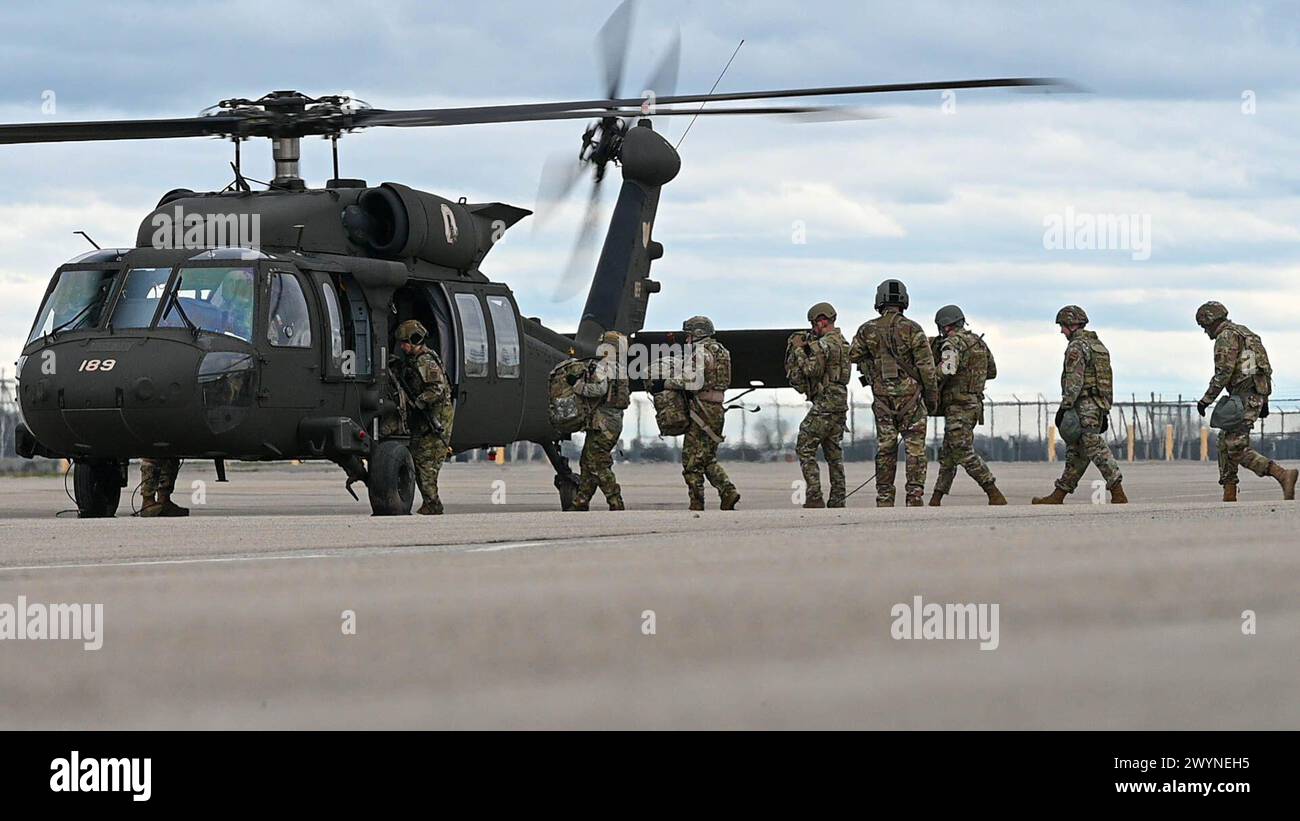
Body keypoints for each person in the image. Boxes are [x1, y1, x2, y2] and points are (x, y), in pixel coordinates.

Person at [848, 279, 939, 507]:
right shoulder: (913, 329)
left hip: (883, 400)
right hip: (912, 399)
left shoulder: (867, 329)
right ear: (904, 302)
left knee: (885, 448)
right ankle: (915, 495)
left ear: (879, 301)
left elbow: (852, 355)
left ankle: (884, 497)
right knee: (915, 448)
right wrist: (931, 396)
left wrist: (873, 361)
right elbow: (927, 368)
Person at [1194, 301, 1296, 501]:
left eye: (1205, 326)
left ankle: (1281, 474)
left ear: (1211, 321)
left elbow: (1224, 372)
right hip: (1252, 395)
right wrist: (1263, 400)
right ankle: (1229, 493)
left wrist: (1206, 399)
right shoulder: (1245, 334)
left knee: (1236, 447)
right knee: (1225, 441)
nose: (1205, 332)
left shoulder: (1226, 337)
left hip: (1243, 398)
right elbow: (1255, 370)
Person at [1032, 305, 1127, 504]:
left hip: (1083, 404)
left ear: (1071, 324)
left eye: (1063, 326)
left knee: (1094, 446)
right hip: (1097, 403)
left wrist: (1066, 405)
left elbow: (1074, 379)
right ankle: (1059, 494)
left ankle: (1117, 490)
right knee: (1076, 452)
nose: (1061, 331)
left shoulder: (1076, 346)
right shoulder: (1097, 345)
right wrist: (1104, 407)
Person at [929, 305, 1006, 506]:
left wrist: (928, 381)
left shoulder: (952, 343)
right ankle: (935, 499)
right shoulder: (979, 343)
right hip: (973, 404)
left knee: (962, 451)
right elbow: (992, 371)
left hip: (958, 405)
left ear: (945, 326)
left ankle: (993, 491)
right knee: (948, 454)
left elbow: (948, 368)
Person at [666, 316, 740, 511]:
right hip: (717, 408)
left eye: (688, 336)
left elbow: (692, 382)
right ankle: (727, 490)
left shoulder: (700, 353)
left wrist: (667, 381)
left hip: (701, 408)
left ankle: (696, 502)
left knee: (691, 459)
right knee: (707, 457)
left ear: (696, 335)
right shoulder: (722, 351)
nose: (686, 340)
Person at [391, 320, 455, 515]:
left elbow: (437, 388)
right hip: (427, 419)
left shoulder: (425, 361)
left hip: (436, 419)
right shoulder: (416, 361)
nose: (403, 346)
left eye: (405, 342)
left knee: (425, 462)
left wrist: (418, 402)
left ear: (415, 340)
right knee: (419, 459)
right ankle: (431, 502)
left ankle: (433, 503)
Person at [791, 302, 850, 508]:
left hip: (826, 401)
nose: (812, 328)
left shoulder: (824, 344)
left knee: (804, 445)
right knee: (833, 452)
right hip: (840, 400)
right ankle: (838, 498)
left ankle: (814, 495)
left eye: (813, 324)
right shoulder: (843, 342)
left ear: (822, 321)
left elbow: (811, 370)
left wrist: (799, 351)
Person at [570, 330, 630, 511]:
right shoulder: (620, 368)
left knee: (598, 463)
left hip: (603, 422)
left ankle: (615, 500)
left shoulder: (604, 367)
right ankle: (581, 500)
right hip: (612, 421)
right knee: (587, 462)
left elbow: (598, 390)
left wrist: (577, 385)